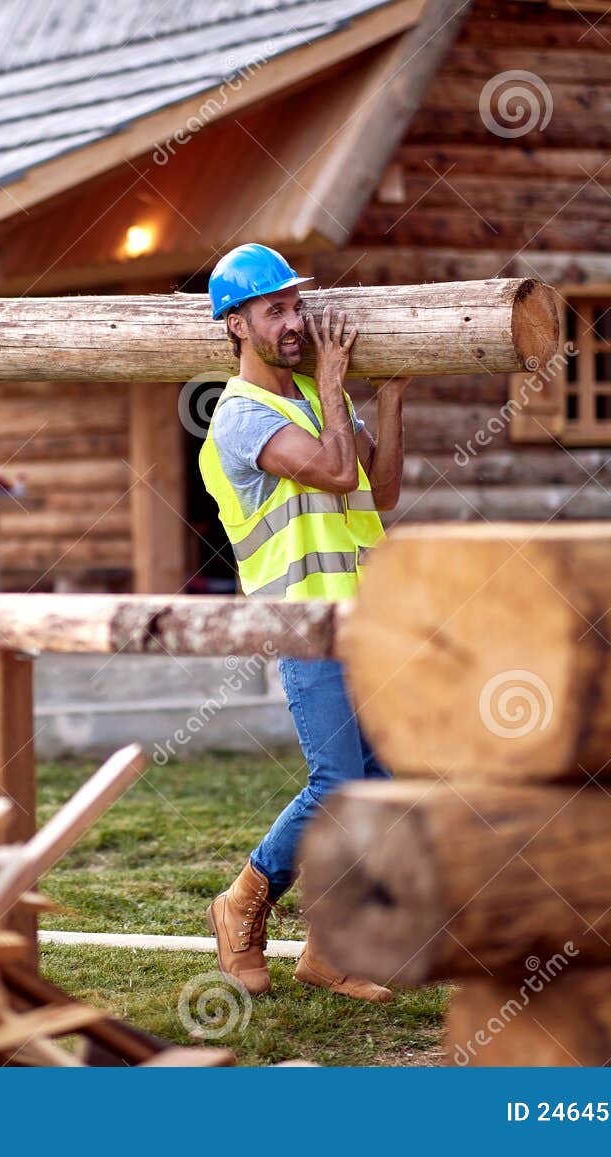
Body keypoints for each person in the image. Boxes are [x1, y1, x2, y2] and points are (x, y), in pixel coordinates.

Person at [197, 244, 409, 1001]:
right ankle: (242, 902)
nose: (295, 321)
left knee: (381, 782)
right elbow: (331, 471)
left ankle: (327, 947)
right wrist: (330, 385)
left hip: (362, 617)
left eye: (297, 305)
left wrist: (385, 399)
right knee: (337, 780)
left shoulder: (328, 402)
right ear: (236, 324)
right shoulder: (239, 416)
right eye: (275, 310)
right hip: (302, 621)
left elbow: (376, 494)